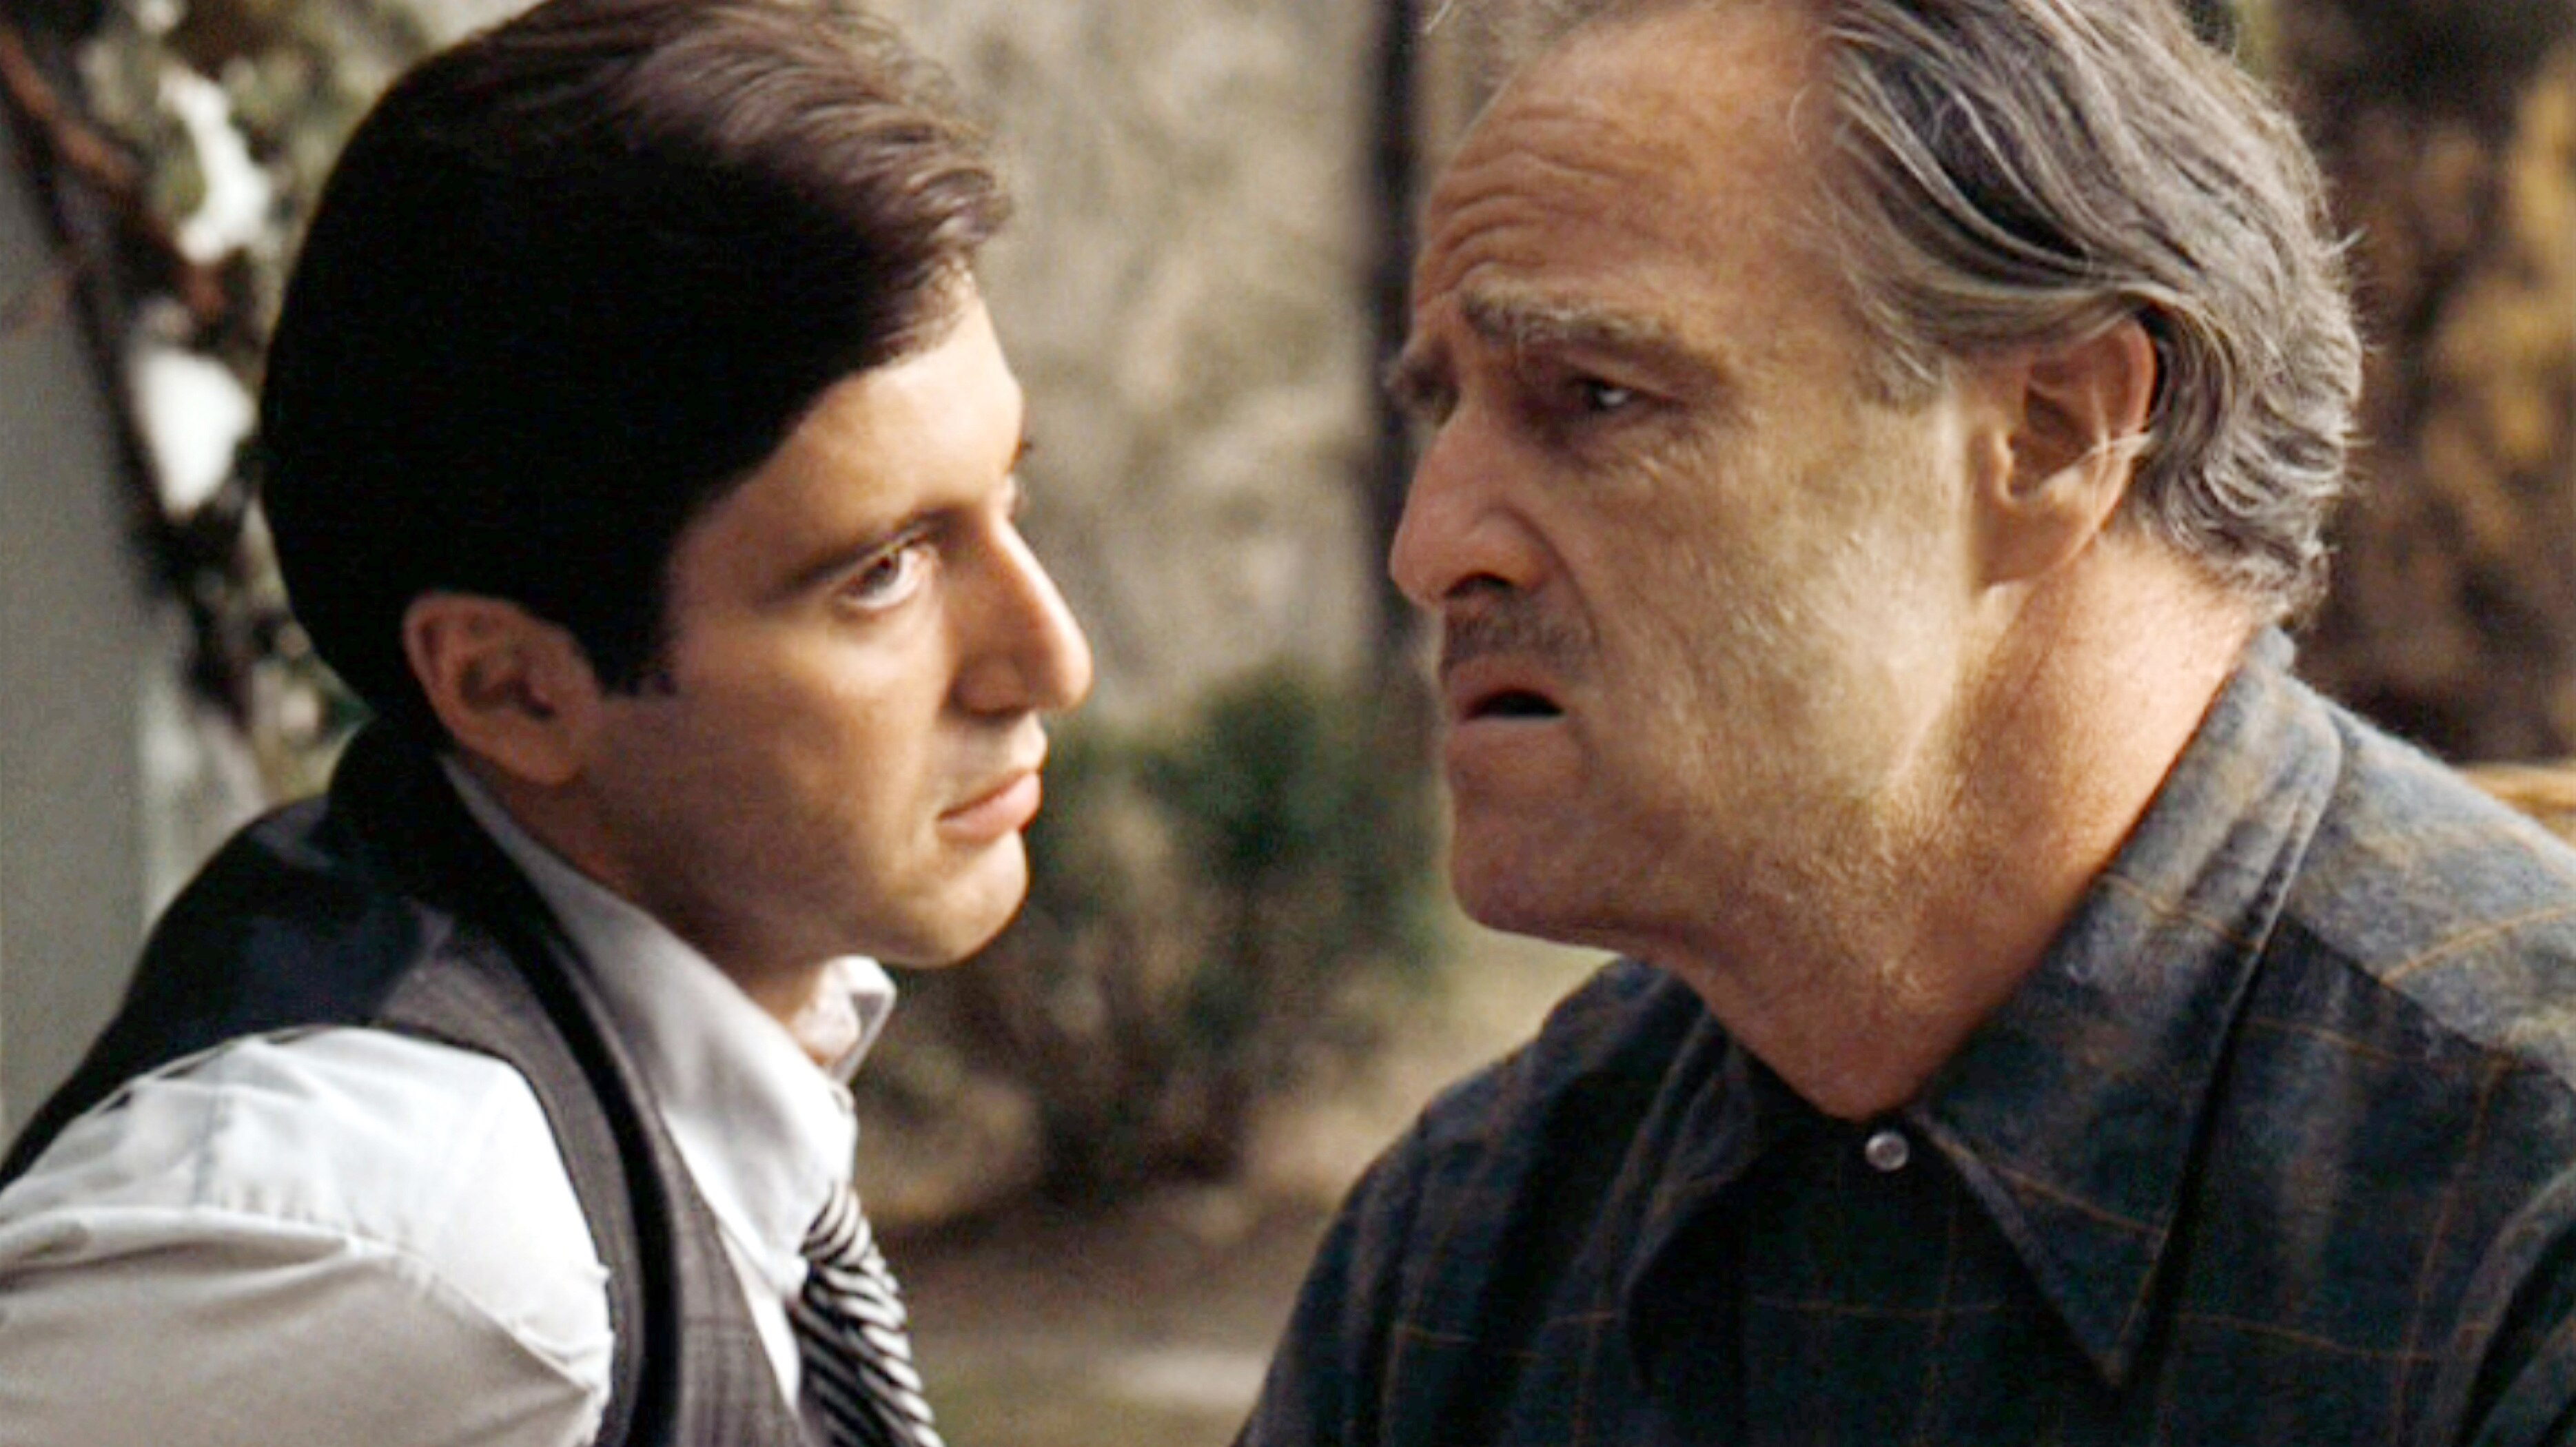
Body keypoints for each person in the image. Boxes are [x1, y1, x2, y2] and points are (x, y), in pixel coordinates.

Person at [1238, 1, 2576, 1443]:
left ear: (2051, 433)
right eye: (1442, 415)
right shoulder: (1472, 1239)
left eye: (1596, 398)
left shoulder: (2518, 1219)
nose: (1432, 546)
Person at [0, 1, 1091, 1444]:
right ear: (512, 687)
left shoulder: (658, 1055)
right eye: (881, 572)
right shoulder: (417, 1243)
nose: (1050, 659)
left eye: (1008, 497)